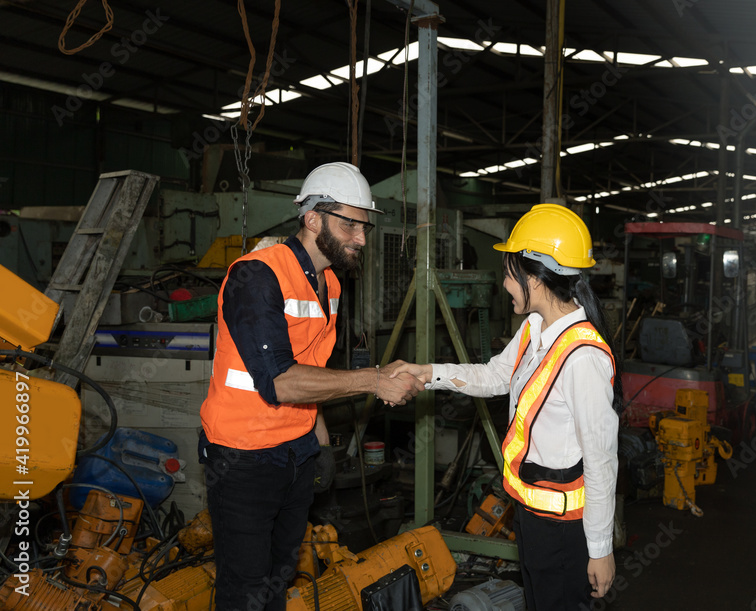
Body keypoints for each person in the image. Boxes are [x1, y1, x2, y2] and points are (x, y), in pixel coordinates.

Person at [199, 162, 423, 611]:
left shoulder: (332, 283)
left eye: (364, 226)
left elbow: (311, 365)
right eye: (349, 225)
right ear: (313, 219)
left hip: (295, 449)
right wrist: (375, 380)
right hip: (242, 456)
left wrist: (317, 437)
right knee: (244, 588)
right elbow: (280, 380)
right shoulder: (256, 276)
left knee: (280, 577)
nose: (361, 238)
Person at [390, 204, 622, 611]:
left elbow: (602, 462)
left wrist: (601, 550)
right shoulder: (536, 328)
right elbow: (495, 376)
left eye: (508, 274)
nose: (504, 284)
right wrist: (426, 372)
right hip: (530, 518)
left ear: (534, 276)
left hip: (566, 534)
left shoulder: (583, 357)